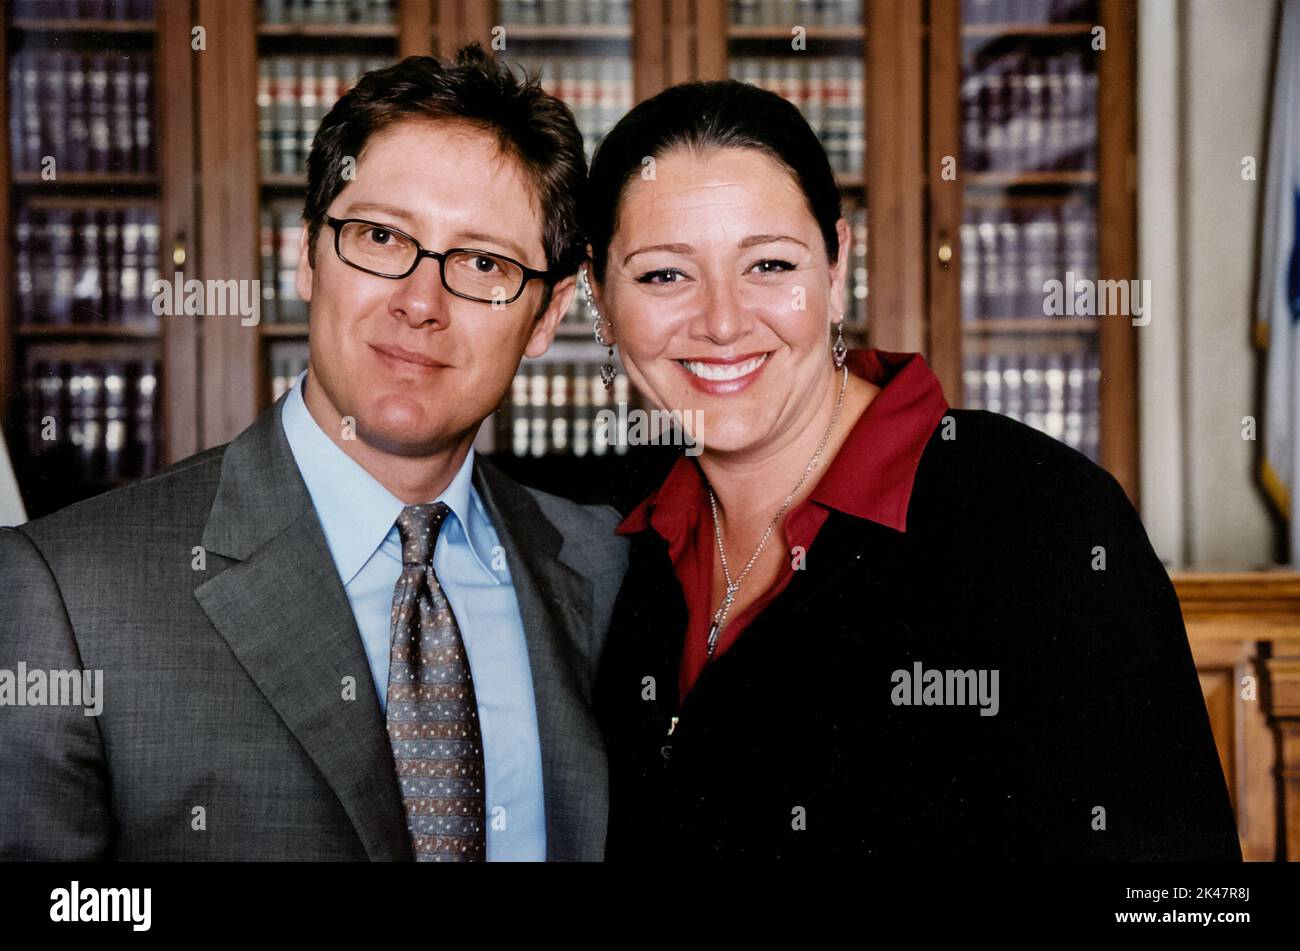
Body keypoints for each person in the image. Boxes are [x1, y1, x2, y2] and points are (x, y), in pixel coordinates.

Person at [584, 80, 1241, 860]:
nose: (722, 322)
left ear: (837, 269)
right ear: (598, 295)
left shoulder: (1042, 520)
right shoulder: (604, 534)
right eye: (664, 274)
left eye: (769, 263)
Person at [0, 46, 626, 862]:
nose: (421, 302)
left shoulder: (605, 567)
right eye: (380, 236)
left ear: (545, 315)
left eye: (483, 262)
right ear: (305, 256)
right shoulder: (68, 595)